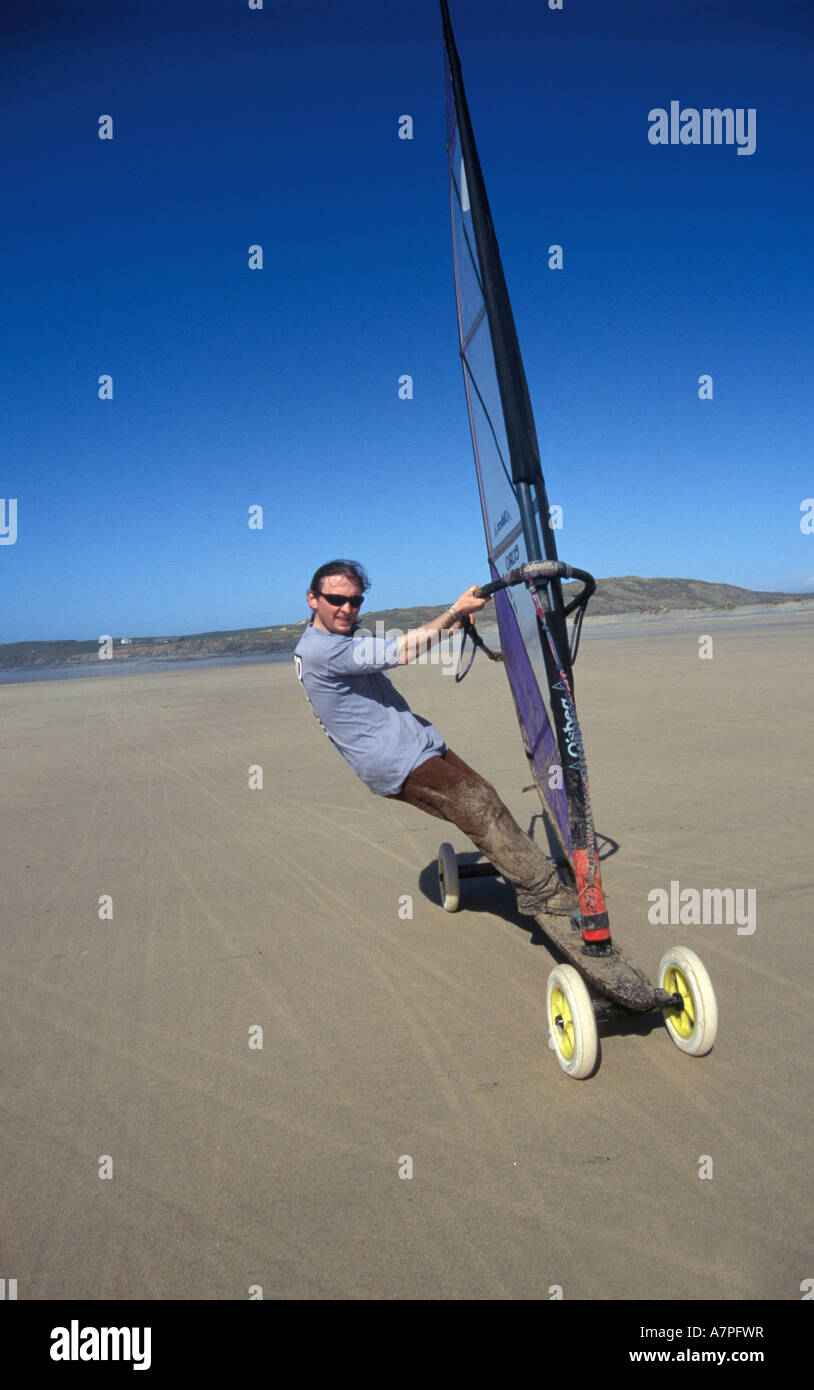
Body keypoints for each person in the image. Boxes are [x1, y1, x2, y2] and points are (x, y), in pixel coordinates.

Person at [293, 559, 577, 917]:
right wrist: (455, 610)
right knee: (478, 806)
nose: (347, 608)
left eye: (355, 601)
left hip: (416, 742)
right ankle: (543, 892)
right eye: (336, 599)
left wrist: (452, 622)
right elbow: (403, 652)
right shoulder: (323, 650)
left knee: (482, 800)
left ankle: (529, 875)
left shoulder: (333, 641)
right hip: (396, 760)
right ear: (312, 599)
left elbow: (401, 642)